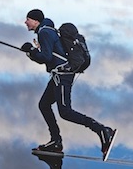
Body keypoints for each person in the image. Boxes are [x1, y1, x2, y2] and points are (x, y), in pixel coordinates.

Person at [22, 9, 116, 159]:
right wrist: (32, 52)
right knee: (44, 105)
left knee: (65, 112)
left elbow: (45, 57)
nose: (25, 22)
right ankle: (56, 142)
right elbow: (49, 55)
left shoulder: (44, 32)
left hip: (63, 75)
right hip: (58, 75)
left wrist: (31, 51)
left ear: (35, 21)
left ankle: (103, 130)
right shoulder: (47, 30)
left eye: (27, 19)